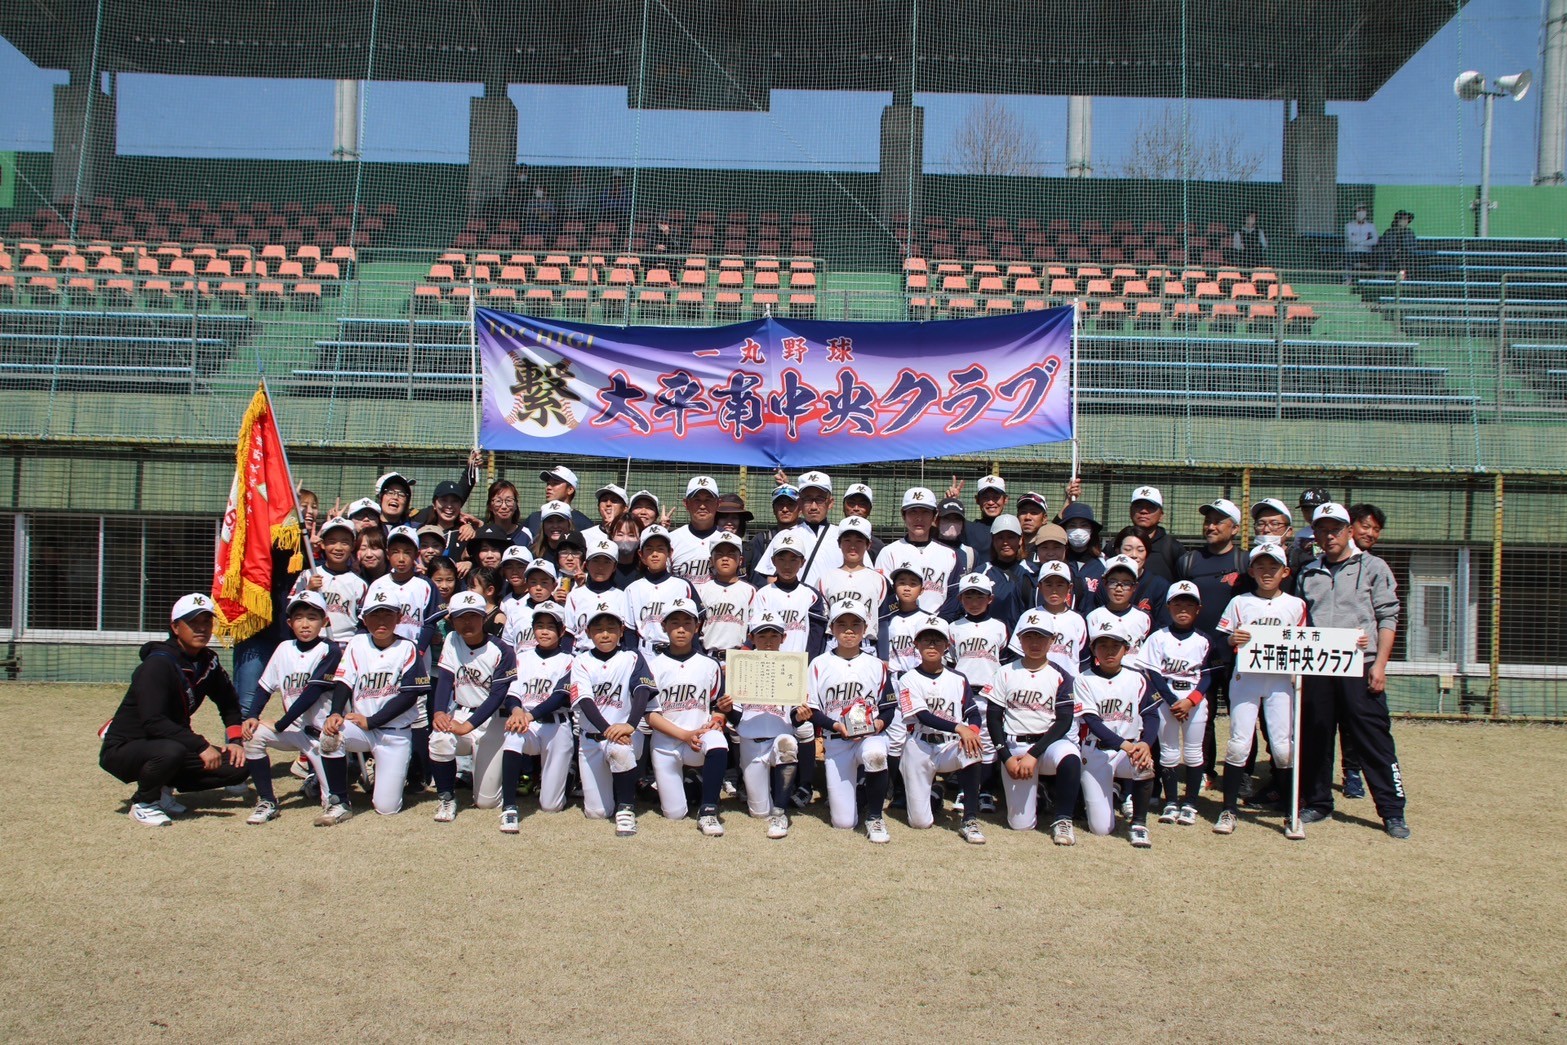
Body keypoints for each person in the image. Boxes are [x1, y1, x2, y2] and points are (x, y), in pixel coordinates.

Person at [1296, 502, 1409, 839]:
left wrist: (1380, 665)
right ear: (1314, 534)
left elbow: (1388, 616)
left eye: (1336, 530)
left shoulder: (1373, 567)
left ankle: (1391, 810)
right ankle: (1317, 801)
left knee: (1373, 739)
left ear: (1349, 532)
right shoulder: (1307, 573)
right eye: (1322, 530)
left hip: (1360, 667)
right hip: (1318, 668)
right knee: (1315, 735)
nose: (1329, 536)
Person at [99, 593, 249, 826]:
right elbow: (153, 721)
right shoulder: (157, 664)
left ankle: (163, 790)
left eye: (206, 622)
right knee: (170, 751)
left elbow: (228, 701)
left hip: (172, 742)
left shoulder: (207, 661)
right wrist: (200, 745)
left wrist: (235, 741)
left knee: (238, 767)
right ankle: (145, 802)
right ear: (176, 628)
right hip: (126, 747)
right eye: (193, 623)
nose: (201, 629)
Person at [1213, 543, 1306, 833]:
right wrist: (1231, 641)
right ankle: (1228, 810)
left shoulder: (1295, 604)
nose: (1267, 573)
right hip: (1246, 679)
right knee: (1239, 743)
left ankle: (1292, 812)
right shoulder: (1240, 602)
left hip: (1280, 682)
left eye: (1274, 567)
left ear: (1285, 571)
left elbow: (1306, 644)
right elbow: (1221, 638)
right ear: (1251, 570)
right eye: (1261, 567)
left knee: (1282, 747)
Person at [317, 584, 428, 823]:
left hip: (394, 734)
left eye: (388, 614)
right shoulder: (357, 643)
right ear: (364, 618)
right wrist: (336, 711)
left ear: (399, 617)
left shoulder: (408, 648)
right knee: (330, 735)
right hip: (363, 731)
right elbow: (344, 681)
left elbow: (409, 695)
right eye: (374, 614)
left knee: (386, 807)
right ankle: (338, 800)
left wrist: (372, 720)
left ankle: (382, 775)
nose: (381, 620)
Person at [239, 590, 342, 824]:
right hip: (293, 730)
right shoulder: (283, 648)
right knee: (253, 736)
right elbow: (265, 687)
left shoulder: (331, 650)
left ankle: (318, 778)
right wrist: (253, 715)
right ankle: (266, 800)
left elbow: (311, 693)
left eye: (312, 617)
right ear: (289, 623)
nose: (305, 624)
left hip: (322, 736)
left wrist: (278, 724)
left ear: (325, 622)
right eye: (299, 617)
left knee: (331, 802)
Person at [985, 608, 1082, 843]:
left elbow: (1064, 722)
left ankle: (1063, 819)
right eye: (1029, 636)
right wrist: (1005, 756)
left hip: (1047, 747)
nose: (1035, 642)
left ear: (1052, 640)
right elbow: (993, 717)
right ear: (1019, 639)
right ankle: (1038, 794)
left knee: (1071, 755)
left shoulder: (1062, 675)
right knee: (1021, 825)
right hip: (1015, 747)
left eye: (1041, 636)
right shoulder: (1005, 672)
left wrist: (1034, 754)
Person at [804, 602, 896, 843]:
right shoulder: (819, 664)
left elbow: (888, 707)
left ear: (865, 628)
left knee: (876, 754)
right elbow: (812, 709)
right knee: (843, 823)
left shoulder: (876, 665)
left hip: (869, 737)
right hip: (836, 740)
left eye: (855, 624)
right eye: (841, 624)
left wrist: (878, 725)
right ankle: (862, 795)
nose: (848, 630)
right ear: (832, 629)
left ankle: (875, 816)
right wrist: (834, 726)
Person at [895, 615, 988, 845]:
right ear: (916, 644)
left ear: (947, 645)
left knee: (973, 747)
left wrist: (972, 730)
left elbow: (973, 713)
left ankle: (969, 818)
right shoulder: (908, 678)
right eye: (926, 640)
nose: (932, 645)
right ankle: (935, 794)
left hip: (949, 745)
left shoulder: (958, 678)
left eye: (937, 640)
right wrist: (960, 727)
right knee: (920, 823)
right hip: (920, 745)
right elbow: (923, 716)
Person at [567, 600, 657, 837]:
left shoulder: (632, 657)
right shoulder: (580, 661)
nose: (605, 634)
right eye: (598, 629)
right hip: (591, 740)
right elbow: (584, 701)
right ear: (588, 633)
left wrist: (629, 725)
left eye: (611, 627)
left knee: (620, 749)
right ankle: (617, 795)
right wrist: (609, 729)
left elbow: (642, 691)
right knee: (597, 812)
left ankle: (626, 807)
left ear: (621, 631)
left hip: (625, 737)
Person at [428, 591, 518, 823]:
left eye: (473, 616)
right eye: (460, 617)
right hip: (461, 711)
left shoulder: (502, 649)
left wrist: (467, 726)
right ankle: (447, 797)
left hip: (492, 720)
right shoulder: (452, 640)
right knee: (439, 738)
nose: (467, 623)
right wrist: (439, 711)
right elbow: (446, 679)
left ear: (483, 618)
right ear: (452, 620)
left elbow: (498, 696)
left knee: (485, 802)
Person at [644, 598, 729, 835]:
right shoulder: (652, 666)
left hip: (699, 740)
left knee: (719, 742)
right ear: (664, 626)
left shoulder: (710, 664)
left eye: (687, 623)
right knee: (675, 814)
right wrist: (684, 735)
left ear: (697, 626)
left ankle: (709, 809)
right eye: (674, 623)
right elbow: (650, 716)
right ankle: (694, 785)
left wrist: (719, 719)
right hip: (666, 743)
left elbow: (718, 706)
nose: (681, 629)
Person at [1075, 617, 1162, 847]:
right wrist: (1124, 744)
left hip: (1131, 750)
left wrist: (1146, 743)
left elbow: (1152, 715)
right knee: (1101, 829)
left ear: (1126, 649)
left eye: (1115, 646)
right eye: (1102, 645)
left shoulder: (1138, 678)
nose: (1109, 651)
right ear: (1093, 648)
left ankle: (1139, 824)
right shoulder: (1083, 679)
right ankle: (1111, 792)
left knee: (1144, 762)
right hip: (1097, 751)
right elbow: (1092, 721)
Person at [496, 602, 577, 830]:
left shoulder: (571, 660)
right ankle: (509, 807)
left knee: (551, 806)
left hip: (556, 726)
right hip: (527, 726)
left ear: (561, 631)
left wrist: (529, 715)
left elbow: (560, 697)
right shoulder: (522, 656)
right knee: (512, 735)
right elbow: (512, 693)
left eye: (550, 626)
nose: (544, 631)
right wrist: (516, 710)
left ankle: (568, 775)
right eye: (539, 625)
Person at [1140, 581, 1212, 827]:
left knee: (1193, 753)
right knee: (1169, 752)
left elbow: (1208, 675)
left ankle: (1190, 801)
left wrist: (1190, 701)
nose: (1183, 609)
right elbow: (1155, 674)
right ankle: (1171, 801)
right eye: (1177, 603)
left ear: (1198, 609)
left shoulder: (1203, 640)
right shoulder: (1158, 637)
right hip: (1167, 701)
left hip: (1194, 701)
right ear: (1169, 606)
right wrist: (1172, 701)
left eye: (1189, 604)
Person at [725, 611, 801, 838]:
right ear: (752, 637)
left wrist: (802, 715)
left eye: (774, 636)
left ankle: (780, 810)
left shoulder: (793, 666)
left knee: (787, 743)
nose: (768, 641)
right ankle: (767, 804)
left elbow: (795, 716)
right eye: (762, 636)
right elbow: (737, 717)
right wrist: (728, 711)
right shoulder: (741, 666)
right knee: (758, 812)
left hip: (779, 738)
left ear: (783, 638)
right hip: (750, 741)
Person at [875, 487, 958, 613]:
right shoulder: (889, 552)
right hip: (898, 625)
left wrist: (938, 623)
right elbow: (884, 596)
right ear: (904, 515)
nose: (919, 518)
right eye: (913, 511)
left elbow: (954, 596)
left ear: (934, 516)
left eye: (925, 512)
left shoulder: (949, 554)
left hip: (937, 627)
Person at [1127, 485, 1185, 583]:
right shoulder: (1116, 544)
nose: (1143, 511)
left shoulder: (1172, 547)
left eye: (1150, 507)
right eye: (1138, 506)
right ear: (1130, 511)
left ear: (1161, 515)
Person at [669, 475, 721, 583]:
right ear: (686, 504)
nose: (702, 506)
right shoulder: (671, 540)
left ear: (718, 504)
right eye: (697, 500)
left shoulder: (727, 538)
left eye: (708, 500)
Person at [523, 465, 594, 536]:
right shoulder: (533, 518)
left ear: (570, 490)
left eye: (555, 483)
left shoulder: (583, 523)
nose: (548, 487)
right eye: (548, 484)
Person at [1344, 203, 1378, 278]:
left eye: (1363, 210)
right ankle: (1348, 279)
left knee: (1377, 258)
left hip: (1367, 252)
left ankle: (1372, 280)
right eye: (1358, 210)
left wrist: (1360, 241)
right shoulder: (1348, 226)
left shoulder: (1371, 226)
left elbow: (1374, 240)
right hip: (1352, 252)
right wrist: (1366, 239)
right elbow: (1351, 240)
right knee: (1348, 259)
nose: (1361, 212)